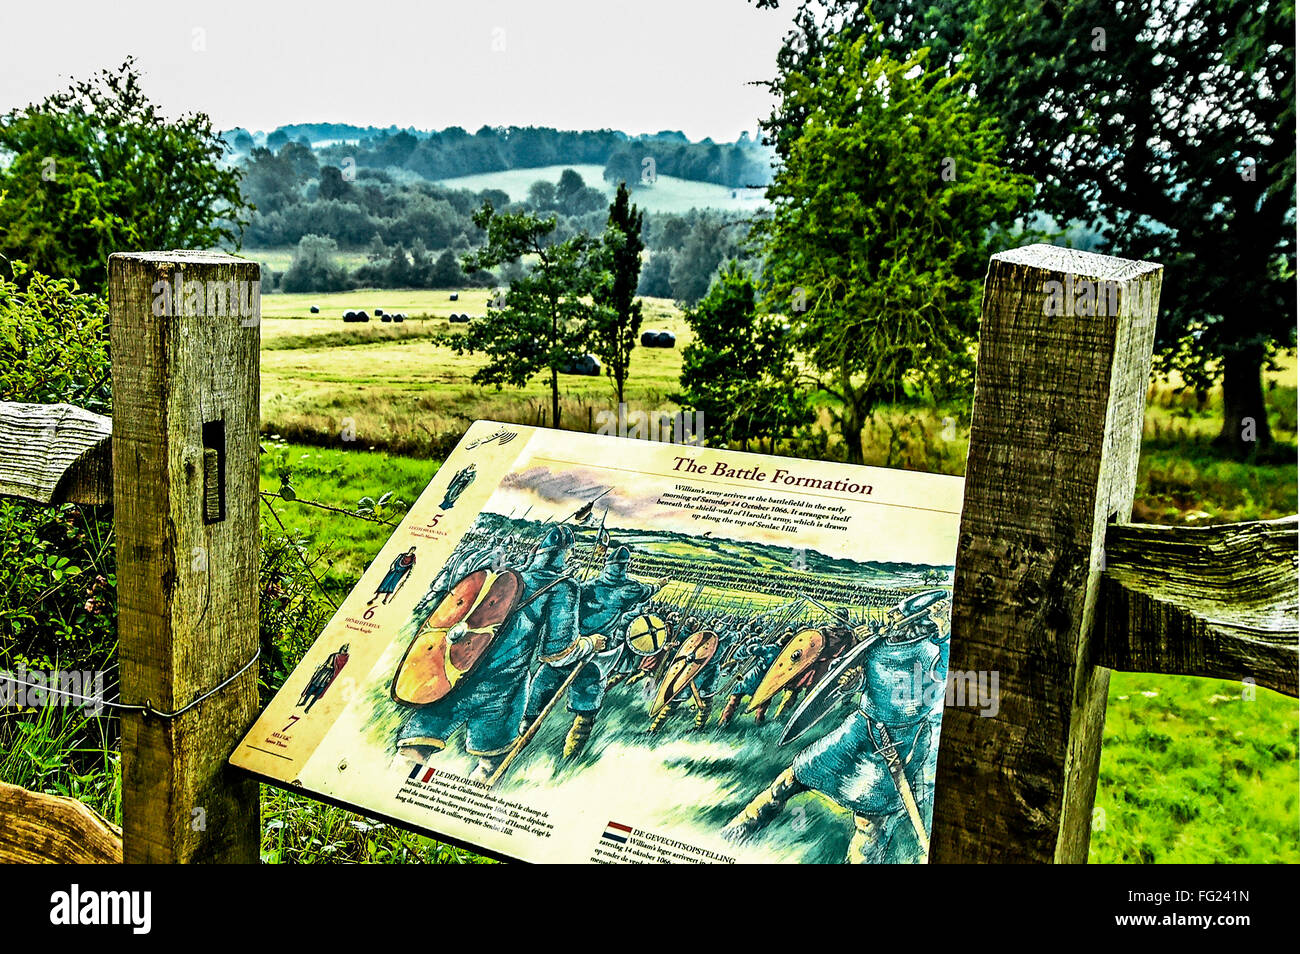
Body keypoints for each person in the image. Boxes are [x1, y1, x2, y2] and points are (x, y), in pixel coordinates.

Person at [722, 592, 951, 863]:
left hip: (900, 742)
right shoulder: (878, 645)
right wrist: (853, 681)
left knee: (871, 821)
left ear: (914, 624)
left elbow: (944, 677)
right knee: (793, 776)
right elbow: (863, 681)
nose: (890, 620)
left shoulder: (934, 653)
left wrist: (945, 633)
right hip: (858, 730)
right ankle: (738, 831)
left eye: (897, 617)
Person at [394, 526, 589, 782]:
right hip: (501, 691)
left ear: (538, 550)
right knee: (489, 767)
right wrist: (588, 645)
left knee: (412, 751)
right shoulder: (563, 587)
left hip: (453, 675)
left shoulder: (506, 575)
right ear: (567, 555)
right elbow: (557, 653)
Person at [521, 546, 656, 761]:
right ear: (625, 567)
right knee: (584, 714)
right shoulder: (630, 590)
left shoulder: (585, 586)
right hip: (593, 655)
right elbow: (649, 590)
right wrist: (659, 584)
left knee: (539, 696)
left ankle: (521, 743)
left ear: (607, 566)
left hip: (572, 650)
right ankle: (567, 758)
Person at [298, 644, 349, 713]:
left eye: (344, 649)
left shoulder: (343, 658)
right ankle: (304, 702)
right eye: (342, 648)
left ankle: (308, 708)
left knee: (318, 694)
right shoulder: (334, 655)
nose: (342, 650)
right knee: (311, 689)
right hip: (323, 674)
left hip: (329, 677)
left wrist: (332, 668)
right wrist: (321, 668)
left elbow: (336, 668)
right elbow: (327, 664)